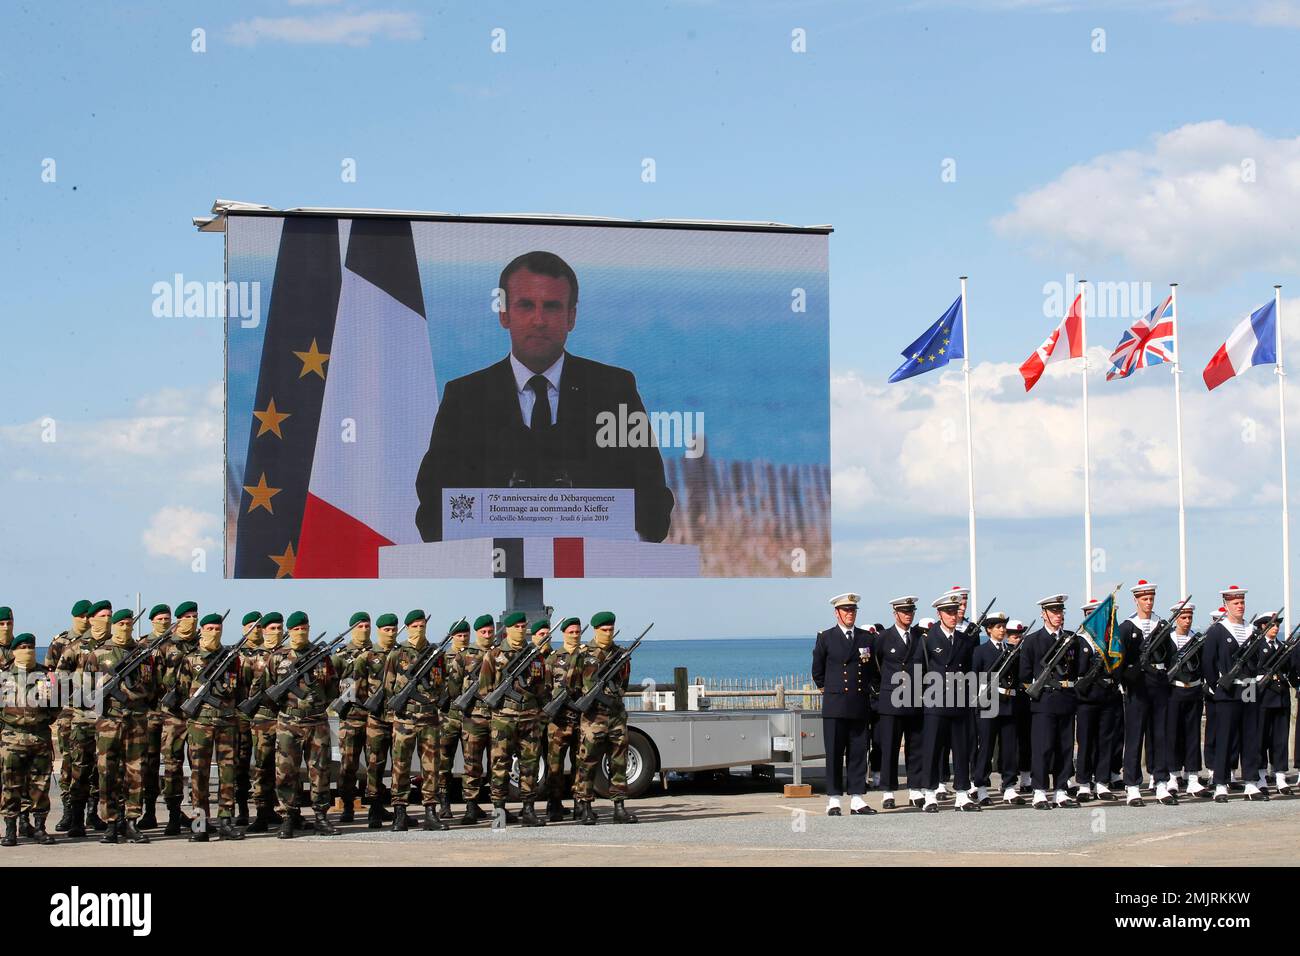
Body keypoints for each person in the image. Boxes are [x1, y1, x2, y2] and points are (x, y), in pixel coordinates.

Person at [414, 250, 674, 544]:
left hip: (596, 579)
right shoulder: (465, 398)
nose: (539, 320)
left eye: (551, 307)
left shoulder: (614, 391)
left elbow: (654, 507)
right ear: (504, 313)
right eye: (526, 305)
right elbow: (433, 511)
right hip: (490, 577)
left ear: (571, 316)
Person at [262, 611, 342, 837]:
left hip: (317, 722)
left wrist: (316, 705)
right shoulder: (278, 657)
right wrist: (287, 709)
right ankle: (287, 817)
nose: (300, 632)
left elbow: (332, 687)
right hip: (288, 722)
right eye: (296, 629)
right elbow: (266, 691)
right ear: (289, 631)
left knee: (320, 770)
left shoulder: (321, 656)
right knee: (286, 772)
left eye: (304, 629)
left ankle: (320, 816)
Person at [87, 608, 159, 843]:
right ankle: (110, 822)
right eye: (121, 624)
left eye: (129, 624)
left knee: (136, 771)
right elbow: (85, 693)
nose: (126, 628)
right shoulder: (99, 654)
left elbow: (152, 687)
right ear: (113, 626)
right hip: (109, 721)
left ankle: (131, 821)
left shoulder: (143, 654)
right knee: (107, 772)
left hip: (136, 720)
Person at [176, 613, 247, 841]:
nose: (214, 633)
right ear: (202, 630)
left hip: (226, 722)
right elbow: (180, 690)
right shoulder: (190, 659)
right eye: (209, 629)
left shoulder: (231, 658)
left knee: (228, 773)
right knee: (199, 775)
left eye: (218, 629)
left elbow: (240, 690)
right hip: (200, 723)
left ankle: (226, 821)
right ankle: (200, 824)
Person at [380, 610, 448, 832]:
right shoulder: (396, 654)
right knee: (400, 766)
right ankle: (400, 812)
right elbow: (388, 687)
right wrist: (399, 707)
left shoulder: (435, 653)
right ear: (407, 628)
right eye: (414, 626)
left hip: (429, 718)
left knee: (431, 767)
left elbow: (442, 684)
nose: (419, 630)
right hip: (405, 719)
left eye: (422, 626)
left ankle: (430, 811)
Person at [569, 611, 638, 824]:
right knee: (587, 762)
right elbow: (572, 685)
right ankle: (586, 806)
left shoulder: (620, 655)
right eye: (604, 630)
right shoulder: (583, 654)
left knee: (619, 762)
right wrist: (589, 698)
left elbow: (624, 684)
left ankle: (619, 806)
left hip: (616, 716)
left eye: (610, 629)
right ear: (596, 630)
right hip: (592, 717)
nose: (608, 633)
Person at [811, 593, 877, 816]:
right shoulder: (826, 637)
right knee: (834, 753)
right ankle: (834, 799)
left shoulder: (865, 638)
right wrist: (830, 690)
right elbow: (817, 671)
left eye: (853, 610)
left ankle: (857, 798)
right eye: (846, 610)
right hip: (836, 704)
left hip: (859, 704)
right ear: (836, 613)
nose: (850, 614)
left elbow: (871, 670)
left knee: (859, 752)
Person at [481, 612, 549, 827]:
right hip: (504, 719)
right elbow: (484, 689)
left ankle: (528, 809)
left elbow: (542, 687)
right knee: (500, 764)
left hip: (530, 717)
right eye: (516, 626)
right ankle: (499, 810)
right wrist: (504, 696)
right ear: (507, 629)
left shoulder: (535, 655)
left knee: (529, 765)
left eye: (523, 626)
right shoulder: (494, 655)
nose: (520, 630)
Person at [1201, 586, 1268, 803]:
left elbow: (1258, 661)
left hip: (1248, 685)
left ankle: (1250, 781)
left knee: (1250, 735)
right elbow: (1208, 663)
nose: (1240, 606)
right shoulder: (1218, 630)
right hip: (1227, 690)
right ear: (1227, 604)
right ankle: (1220, 783)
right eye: (1236, 603)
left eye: (1242, 603)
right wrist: (1216, 686)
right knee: (1225, 737)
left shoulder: (1251, 630)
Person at [56, 599, 113, 836]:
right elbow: (57, 678)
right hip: (81, 716)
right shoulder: (75, 646)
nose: (107, 620)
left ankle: (96, 815)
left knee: (104, 770)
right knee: (79, 768)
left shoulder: (116, 646)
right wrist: (80, 693)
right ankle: (76, 818)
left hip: (109, 718)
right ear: (90, 619)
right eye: (102, 616)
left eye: (110, 615)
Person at [919, 591, 979, 812]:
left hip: (960, 702)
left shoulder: (965, 640)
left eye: (955, 612)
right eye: (948, 612)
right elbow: (919, 670)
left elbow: (971, 670)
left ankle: (962, 794)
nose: (953, 616)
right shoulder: (927, 639)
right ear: (939, 614)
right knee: (932, 749)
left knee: (962, 749)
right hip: (935, 702)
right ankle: (929, 794)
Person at [1020, 594, 1080, 809]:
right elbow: (1024, 676)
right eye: (1054, 612)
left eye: (1061, 611)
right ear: (1043, 614)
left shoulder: (1072, 639)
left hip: (1066, 699)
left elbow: (1077, 670)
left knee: (1064, 747)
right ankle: (1039, 790)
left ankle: (1061, 790)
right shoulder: (1033, 641)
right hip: (1044, 701)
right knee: (1043, 747)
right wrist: (1038, 690)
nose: (1058, 616)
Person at [1118, 580, 1175, 807]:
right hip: (1137, 687)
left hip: (1158, 684)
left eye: (1151, 598)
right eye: (1144, 599)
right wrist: (1126, 677)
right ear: (1136, 600)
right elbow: (1119, 660)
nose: (1149, 603)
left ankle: (1160, 780)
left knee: (1159, 735)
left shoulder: (1161, 625)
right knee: (1134, 737)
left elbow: (1170, 656)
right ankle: (1132, 785)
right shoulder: (1127, 627)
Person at [1, 632, 57, 847]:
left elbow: (56, 708)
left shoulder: (46, 676)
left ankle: (40, 828)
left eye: (31, 647)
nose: (28, 651)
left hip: (39, 738)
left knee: (40, 785)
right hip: (11, 739)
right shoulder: (4, 676)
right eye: (23, 647)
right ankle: (10, 830)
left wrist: (40, 722)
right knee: (10, 786)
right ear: (14, 651)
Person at [873, 596, 925, 809]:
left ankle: (915, 789)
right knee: (889, 748)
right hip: (890, 700)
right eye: (904, 611)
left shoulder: (920, 637)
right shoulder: (883, 637)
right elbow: (874, 667)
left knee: (916, 747)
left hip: (914, 700)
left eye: (911, 611)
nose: (908, 615)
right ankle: (888, 791)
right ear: (895, 614)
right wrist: (880, 692)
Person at [46, 599, 90, 832]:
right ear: (74, 617)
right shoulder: (60, 642)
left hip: (94, 711)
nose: (85, 619)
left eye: (88, 615)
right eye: (81, 616)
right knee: (69, 762)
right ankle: (68, 810)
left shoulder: (101, 642)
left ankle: (92, 812)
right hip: (67, 711)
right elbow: (52, 678)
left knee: (91, 762)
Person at [157, 600, 200, 835]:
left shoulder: (204, 644)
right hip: (173, 716)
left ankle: (198, 817)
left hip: (196, 716)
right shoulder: (164, 646)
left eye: (195, 617)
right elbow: (154, 678)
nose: (192, 621)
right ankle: (174, 815)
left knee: (198, 766)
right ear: (179, 619)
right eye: (188, 617)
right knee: (172, 766)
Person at [355, 615, 400, 828]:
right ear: (379, 631)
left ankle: (400, 810)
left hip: (400, 718)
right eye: (386, 630)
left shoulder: (403, 654)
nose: (390, 634)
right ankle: (374, 808)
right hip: (377, 719)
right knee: (375, 766)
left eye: (393, 630)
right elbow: (357, 688)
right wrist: (371, 705)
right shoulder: (367, 657)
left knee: (401, 766)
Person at [1073, 597, 1120, 803]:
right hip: (1086, 697)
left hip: (1106, 694)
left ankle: (1102, 782)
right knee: (1085, 742)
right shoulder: (1078, 640)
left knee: (1105, 740)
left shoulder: (1111, 641)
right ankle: (1083, 783)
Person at [971, 612, 1021, 806]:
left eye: (1003, 626)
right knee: (986, 747)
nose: (1002, 630)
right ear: (988, 629)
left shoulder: (1011, 650)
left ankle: (1009, 785)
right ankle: (981, 786)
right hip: (988, 703)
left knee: (1009, 748)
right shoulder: (980, 651)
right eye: (998, 627)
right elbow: (974, 678)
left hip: (1008, 702)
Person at [243, 611, 284, 833]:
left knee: (287, 768)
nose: (276, 632)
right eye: (272, 629)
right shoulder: (251, 657)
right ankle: (261, 813)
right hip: (261, 719)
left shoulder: (290, 655)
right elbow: (242, 686)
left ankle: (288, 812)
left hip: (287, 718)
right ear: (263, 631)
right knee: (262, 767)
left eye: (279, 628)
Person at [331, 611, 373, 822]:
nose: (364, 630)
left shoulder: (378, 652)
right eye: (360, 626)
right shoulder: (340, 655)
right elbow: (329, 684)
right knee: (348, 766)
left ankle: (376, 806)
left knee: (376, 764)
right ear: (351, 629)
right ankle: (348, 805)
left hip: (374, 717)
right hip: (351, 717)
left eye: (367, 626)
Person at [1165, 602, 1209, 798]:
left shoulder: (1196, 640)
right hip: (1174, 692)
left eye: (1189, 617)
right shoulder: (1168, 639)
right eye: (1183, 617)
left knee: (1192, 735)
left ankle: (1192, 777)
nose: (1187, 621)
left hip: (1193, 691)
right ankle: (1173, 776)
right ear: (1176, 618)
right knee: (1173, 735)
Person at [545, 616, 585, 821]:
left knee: (581, 762)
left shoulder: (587, 656)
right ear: (564, 634)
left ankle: (580, 803)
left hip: (581, 718)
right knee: (555, 765)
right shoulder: (553, 658)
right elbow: (544, 688)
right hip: (558, 721)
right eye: (571, 632)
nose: (575, 635)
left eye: (578, 632)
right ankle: (554, 803)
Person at [433, 618, 473, 820]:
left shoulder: (474, 656)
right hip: (447, 716)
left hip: (468, 716)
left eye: (466, 635)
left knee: (470, 762)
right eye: (459, 635)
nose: (463, 638)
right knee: (444, 761)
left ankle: (470, 805)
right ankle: (444, 802)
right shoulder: (441, 657)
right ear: (452, 637)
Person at [458, 614, 496, 825]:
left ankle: (498, 810)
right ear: (477, 633)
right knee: (472, 764)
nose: (488, 635)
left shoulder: (500, 654)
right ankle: (471, 807)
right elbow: (454, 687)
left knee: (498, 765)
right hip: (474, 717)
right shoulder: (465, 656)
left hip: (498, 718)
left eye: (490, 632)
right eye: (484, 632)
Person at [1254, 615, 1292, 795]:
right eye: (1272, 625)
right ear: (1262, 626)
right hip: (1263, 697)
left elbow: (1290, 670)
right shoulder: (1256, 646)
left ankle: (1280, 776)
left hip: (1281, 697)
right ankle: (1261, 775)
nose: (1276, 628)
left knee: (1280, 739)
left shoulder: (1282, 647)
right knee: (1261, 738)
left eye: (1277, 625)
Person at [233, 611, 262, 826]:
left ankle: (267, 809)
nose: (256, 630)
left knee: (266, 764)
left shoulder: (273, 653)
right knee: (240, 764)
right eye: (251, 626)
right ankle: (242, 808)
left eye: (260, 626)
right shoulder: (234, 654)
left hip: (265, 717)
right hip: (241, 716)